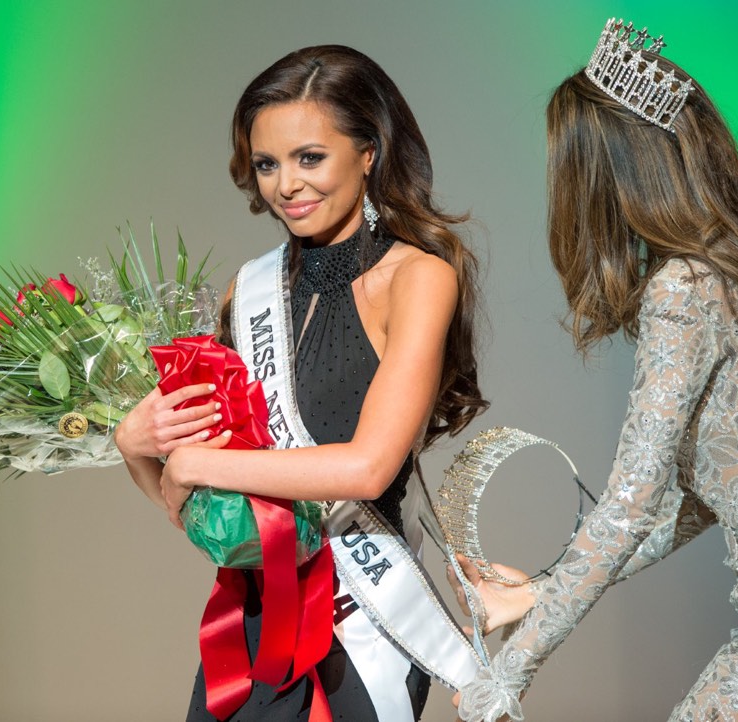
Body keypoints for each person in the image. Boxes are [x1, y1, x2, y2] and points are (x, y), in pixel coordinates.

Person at [453, 18, 738, 722]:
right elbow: (698, 500)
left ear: (605, 175)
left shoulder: (682, 289)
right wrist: (539, 593)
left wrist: (512, 670)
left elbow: (631, 502)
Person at [115, 44, 488, 721]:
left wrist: (197, 464)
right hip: (254, 626)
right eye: (267, 164)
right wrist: (136, 447)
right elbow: (195, 512)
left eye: (309, 157)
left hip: (361, 626)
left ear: (368, 152)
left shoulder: (417, 278)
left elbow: (368, 468)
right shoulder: (249, 291)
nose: (286, 185)